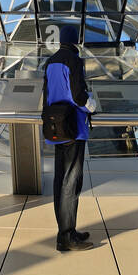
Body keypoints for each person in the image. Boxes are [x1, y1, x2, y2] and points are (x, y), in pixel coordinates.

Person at [43, 23, 95, 252]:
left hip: (57, 126)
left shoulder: (50, 61)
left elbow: (47, 95)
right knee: (71, 181)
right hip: (74, 126)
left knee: (60, 180)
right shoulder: (73, 60)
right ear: (75, 40)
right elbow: (78, 95)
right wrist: (90, 105)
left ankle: (67, 230)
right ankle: (66, 237)